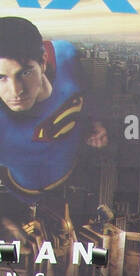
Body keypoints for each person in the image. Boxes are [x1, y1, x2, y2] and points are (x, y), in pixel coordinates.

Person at [0, 18, 107, 216]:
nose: (16, 91)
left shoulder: (66, 55)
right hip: (21, 195)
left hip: (76, 172)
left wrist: (95, 122)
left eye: (25, 72)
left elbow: (85, 90)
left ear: (43, 61)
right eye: (1, 77)